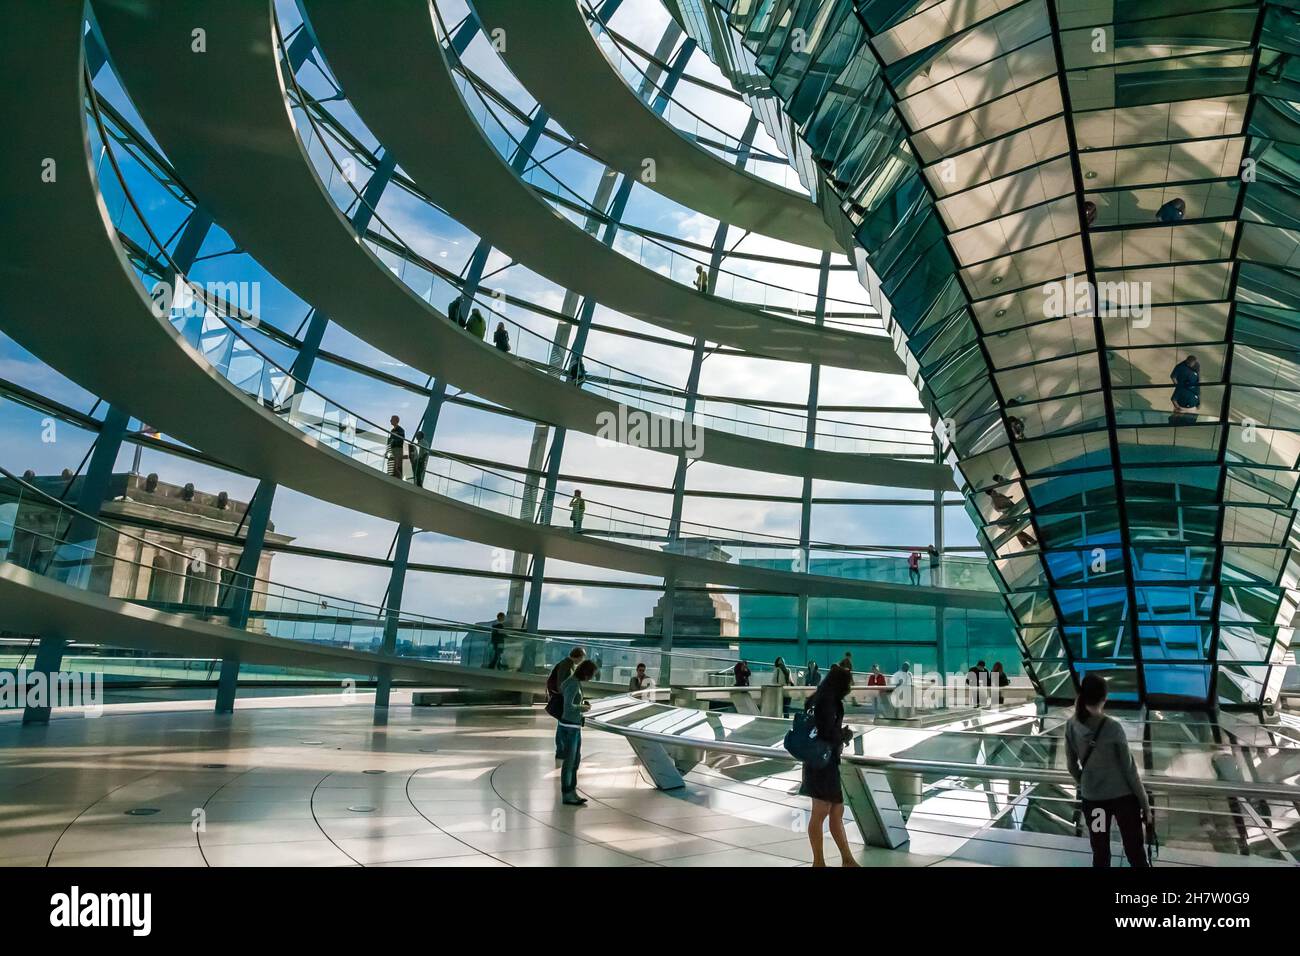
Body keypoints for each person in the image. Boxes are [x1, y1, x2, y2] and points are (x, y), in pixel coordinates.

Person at [1066, 673, 1151, 867]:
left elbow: (1072, 766)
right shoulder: (1113, 727)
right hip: (1124, 801)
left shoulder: (1071, 725)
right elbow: (1129, 770)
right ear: (1105, 697)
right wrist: (1145, 805)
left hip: (1093, 801)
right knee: (1134, 852)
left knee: (1100, 851)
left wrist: (1086, 782)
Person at [799, 664, 858, 867]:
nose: (850, 688)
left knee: (835, 811)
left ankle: (846, 859)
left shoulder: (815, 699)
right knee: (821, 811)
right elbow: (826, 732)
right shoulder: (828, 702)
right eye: (848, 684)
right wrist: (843, 735)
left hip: (817, 762)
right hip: (822, 764)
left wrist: (838, 734)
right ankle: (819, 862)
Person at [557, 659, 597, 806]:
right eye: (591, 674)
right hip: (570, 727)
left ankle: (572, 791)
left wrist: (581, 705)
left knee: (574, 761)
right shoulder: (573, 683)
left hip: (572, 726)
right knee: (570, 762)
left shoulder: (572, 681)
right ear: (585, 673)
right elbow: (568, 707)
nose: (591, 678)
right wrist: (582, 708)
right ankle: (567, 793)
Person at [547, 647, 586, 758]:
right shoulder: (566, 665)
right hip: (563, 699)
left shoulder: (568, 664)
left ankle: (561, 751)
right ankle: (561, 751)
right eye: (582, 658)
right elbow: (562, 684)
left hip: (564, 698)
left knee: (561, 724)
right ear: (578, 657)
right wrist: (568, 696)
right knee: (562, 724)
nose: (582, 660)